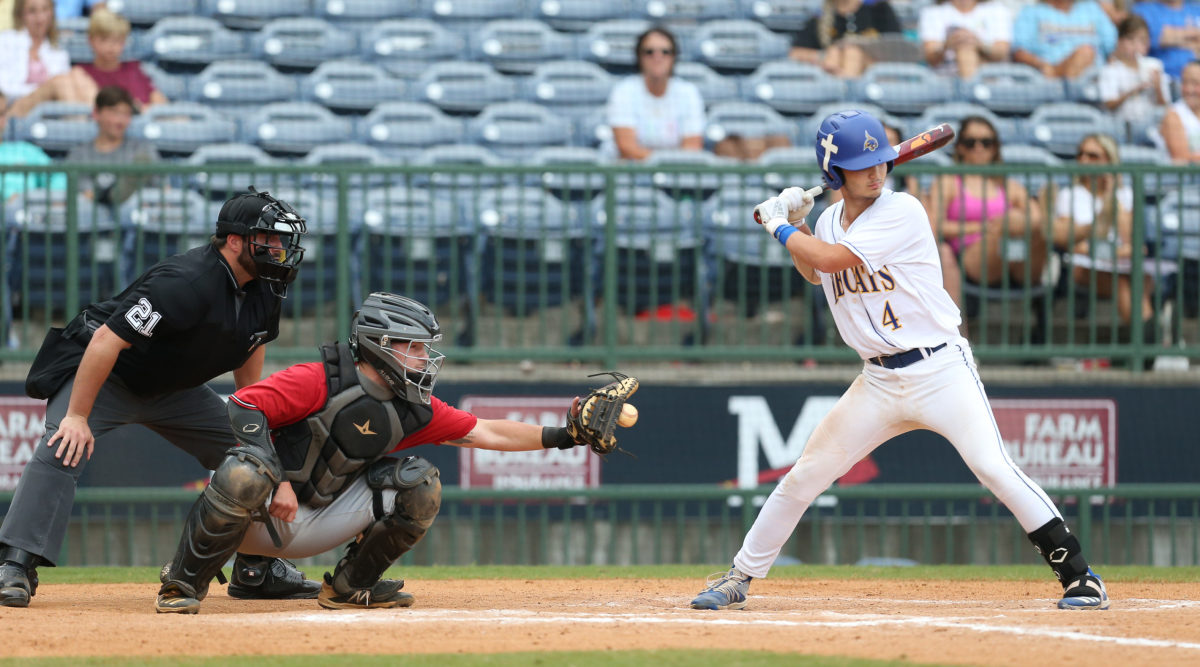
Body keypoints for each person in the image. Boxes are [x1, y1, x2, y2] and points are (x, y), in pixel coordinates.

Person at [689, 109, 1110, 613]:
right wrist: (799, 225)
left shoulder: (902, 209)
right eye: (861, 163)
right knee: (805, 475)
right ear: (833, 172)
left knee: (993, 468)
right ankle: (740, 575)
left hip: (939, 369)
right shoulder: (827, 219)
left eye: (880, 159)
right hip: (878, 380)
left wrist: (778, 225)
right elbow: (813, 271)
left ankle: (1081, 578)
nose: (876, 170)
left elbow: (830, 260)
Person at [154, 292, 630, 613]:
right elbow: (242, 405)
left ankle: (346, 588)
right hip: (256, 518)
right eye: (417, 349)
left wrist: (567, 434)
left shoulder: (414, 407)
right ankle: (183, 581)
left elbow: (487, 433)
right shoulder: (319, 377)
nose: (427, 359)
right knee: (244, 470)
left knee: (419, 482)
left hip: (319, 518)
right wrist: (276, 476)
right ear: (382, 346)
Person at [0, 188, 319, 608]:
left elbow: (253, 343)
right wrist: (77, 415)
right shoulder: (184, 281)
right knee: (64, 445)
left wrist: (249, 424)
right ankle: (15, 565)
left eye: (281, 241)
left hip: (176, 391)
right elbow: (105, 341)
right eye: (268, 239)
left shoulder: (267, 287)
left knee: (255, 460)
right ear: (235, 241)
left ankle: (256, 568)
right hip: (111, 376)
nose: (278, 249)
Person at [924, 116, 1047, 300]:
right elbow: (937, 226)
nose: (979, 148)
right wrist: (986, 227)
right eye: (971, 142)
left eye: (987, 142)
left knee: (1039, 226)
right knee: (1010, 223)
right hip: (973, 255)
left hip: (1018, 257)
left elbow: (1036, 218)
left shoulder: (1008, 185)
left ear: (995, 147)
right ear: (960, 147)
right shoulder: (948, 181)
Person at [1050, 134, 1154, 326]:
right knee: (1122, 282)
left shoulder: (1125, 195)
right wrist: (1111, 253)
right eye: (1081, 154)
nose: (1084, 160)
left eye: (1093, 156)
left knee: (1141, 278)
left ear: (1110, 159)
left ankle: (1144, 341)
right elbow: (1072, 244)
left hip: (1121, 264)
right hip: (1084, 266)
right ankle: (1148, 342)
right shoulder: (1069, 195)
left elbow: (1132, 241)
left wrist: (1112, 196)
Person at [5, 8, 166, 118]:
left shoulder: (134, 69)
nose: (111, 47)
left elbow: (160, 103)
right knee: (60, 81)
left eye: (117, 41)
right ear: (91, 40)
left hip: (132, 130)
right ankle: (7, 121)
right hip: (92, 129)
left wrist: (142, 110)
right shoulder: (79, 74)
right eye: (104, 40)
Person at [605, 27, 705, 161]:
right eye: (649, 52)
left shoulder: (688, 92)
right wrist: (666, 163)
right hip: (633, 171)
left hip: (675, 175)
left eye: (665, 52)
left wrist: (664, 166)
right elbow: (626, 148)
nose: (657, 57)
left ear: (674, 57)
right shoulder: (624, 91)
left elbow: (692, 148)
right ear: (639, 57)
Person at [63, 85, 159, 207]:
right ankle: (112, 195)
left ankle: (114, 195)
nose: (120, 120)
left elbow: (163, 190)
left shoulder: (143, 150)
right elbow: (84, 195)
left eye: (126, 114)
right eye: (114, 112)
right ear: (96, 113)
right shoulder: (79, 154)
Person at [790, 0, 904, 79]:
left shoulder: (879, 8)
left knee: (852, 52)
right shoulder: (819, 17)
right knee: (835, 53)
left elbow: (897, 47)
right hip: (833, 70)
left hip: (875, 75)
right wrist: (824, 56)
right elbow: (796, 52)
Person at [1012, 0, 1117, 79]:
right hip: (1045, 76)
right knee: (1085, 52)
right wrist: (1041, 65)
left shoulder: (1091, 8)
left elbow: (1113, 46)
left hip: (1093, 78)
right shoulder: (1032, 11)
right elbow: (1019, 52)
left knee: (1086, 52)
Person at [1100, 14, 1171, 131]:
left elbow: (1165, 106)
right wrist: (1133, 91)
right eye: (1131, 39)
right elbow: (1108, 105)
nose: (1136, 46)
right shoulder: (1110, 70)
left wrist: (1158, 87)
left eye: (1142, 40)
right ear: (1119, 41)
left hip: (1154, 127)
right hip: (1123, 128)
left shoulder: (1154, 65)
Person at [0, 0, 70, 115]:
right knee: (58, 82)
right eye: (32, 11)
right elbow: (4, 88)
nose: (40, 18)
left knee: (78, 75)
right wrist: (43, 90)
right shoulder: (6, 40)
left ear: (52, 12)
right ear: (21, 14)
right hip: (11, 109)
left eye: (45, 10)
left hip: (48, 113)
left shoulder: (59, 53)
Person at [919, 0, 1013, 79]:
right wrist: (948, 45)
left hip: (991, 78)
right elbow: (931, 56)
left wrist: (979, 45)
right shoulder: (933, 12)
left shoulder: (997, 10)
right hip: (945, 80)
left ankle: (968, 92)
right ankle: (971, 92)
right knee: (965, 49)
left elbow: (1001, 53)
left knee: (967, 49)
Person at [1132, 0, 1200, 81]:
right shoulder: (1144, 10)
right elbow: (1153, 39)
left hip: (1195, 80)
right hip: (1161, 79)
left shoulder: (1196, 9)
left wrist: (1169, 35)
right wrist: (1194, 36)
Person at [1159, 59, 1200, 162]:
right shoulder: (1173, 115)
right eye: (1185, 82)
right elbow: (1182, 158)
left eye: (1195, 83)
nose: (1188, 90)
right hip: (1182, 177)